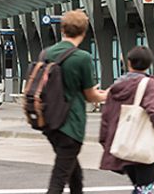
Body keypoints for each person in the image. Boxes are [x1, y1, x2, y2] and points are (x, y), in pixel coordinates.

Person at [44, 10, 107, 194]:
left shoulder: (46, 53)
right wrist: (107, 95)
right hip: (70, 125)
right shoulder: (82, 58)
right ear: (84, 31)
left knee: (75, 175)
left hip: (49, 123)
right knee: (59, 179)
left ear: (63, 29)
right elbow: (90, 95)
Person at [99, 46, 154, 194]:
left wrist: (105, 140)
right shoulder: (148, 84)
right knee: (144, 189)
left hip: (123, 143)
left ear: (129, 63)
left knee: (139, 187)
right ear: (149, 65)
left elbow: (107, 116)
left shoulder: (116, 86)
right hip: (144, 143)